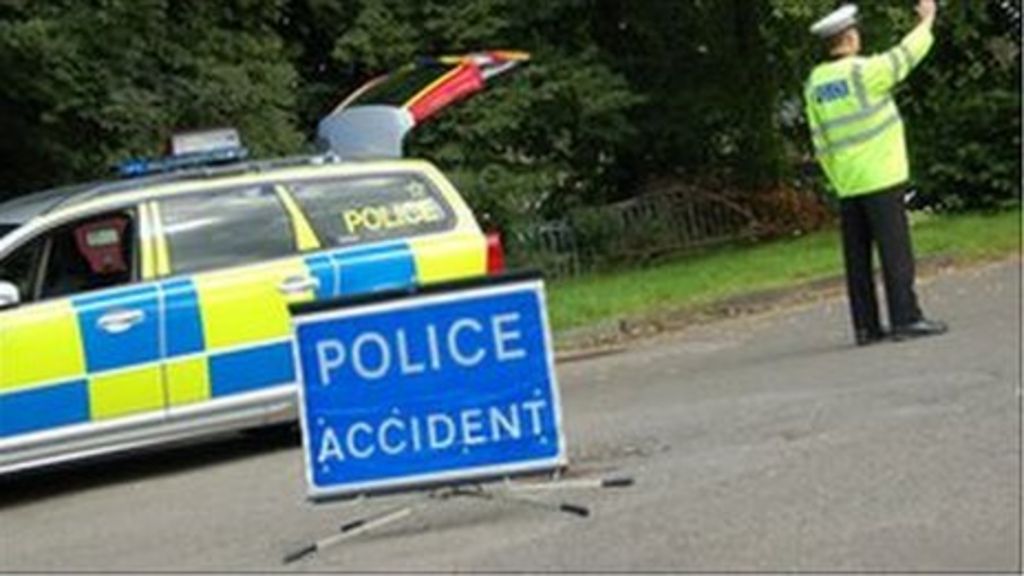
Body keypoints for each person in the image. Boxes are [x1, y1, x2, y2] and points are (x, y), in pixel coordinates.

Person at [804, 1, 948, 346]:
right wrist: (927, 19)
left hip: (847, 182)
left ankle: (865, 327)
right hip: (881, 176)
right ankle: (906, 319)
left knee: (858, 260)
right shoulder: (863, 72)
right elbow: (905, 55)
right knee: (895, 252)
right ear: (851, 37)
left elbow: (819, 141)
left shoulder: (815, 83)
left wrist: (836, 178)